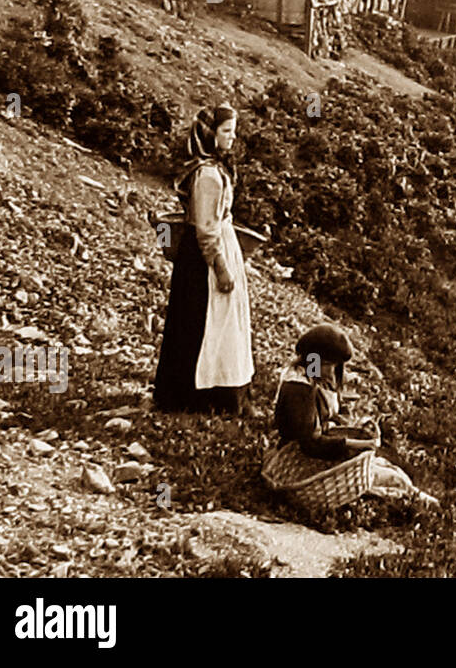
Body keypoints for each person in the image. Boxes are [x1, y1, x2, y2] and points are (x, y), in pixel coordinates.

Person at [153, 103, 254, 415]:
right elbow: (206, 229)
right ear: (209, 135)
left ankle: (215, 392)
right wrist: (221, 268)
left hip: (218, 247)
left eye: (233, 132)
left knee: (215, 324)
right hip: (205, 257)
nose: (231, 138)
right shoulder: (207, 175)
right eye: (226, 132)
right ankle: (199, 396)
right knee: (204, 323)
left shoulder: (212, 168)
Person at [271, 325, 438, 506]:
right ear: (313, 360)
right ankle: (420, 502)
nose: (331, 371)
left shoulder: (315, 380)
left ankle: (418, 497)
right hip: (300, 461)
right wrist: (360, 444)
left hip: (320, 452)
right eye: (328, 365)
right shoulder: (299, 389)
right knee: (390, 480)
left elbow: (331, 416)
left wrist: (359, 426)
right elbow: (311, 443)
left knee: (391, 469)